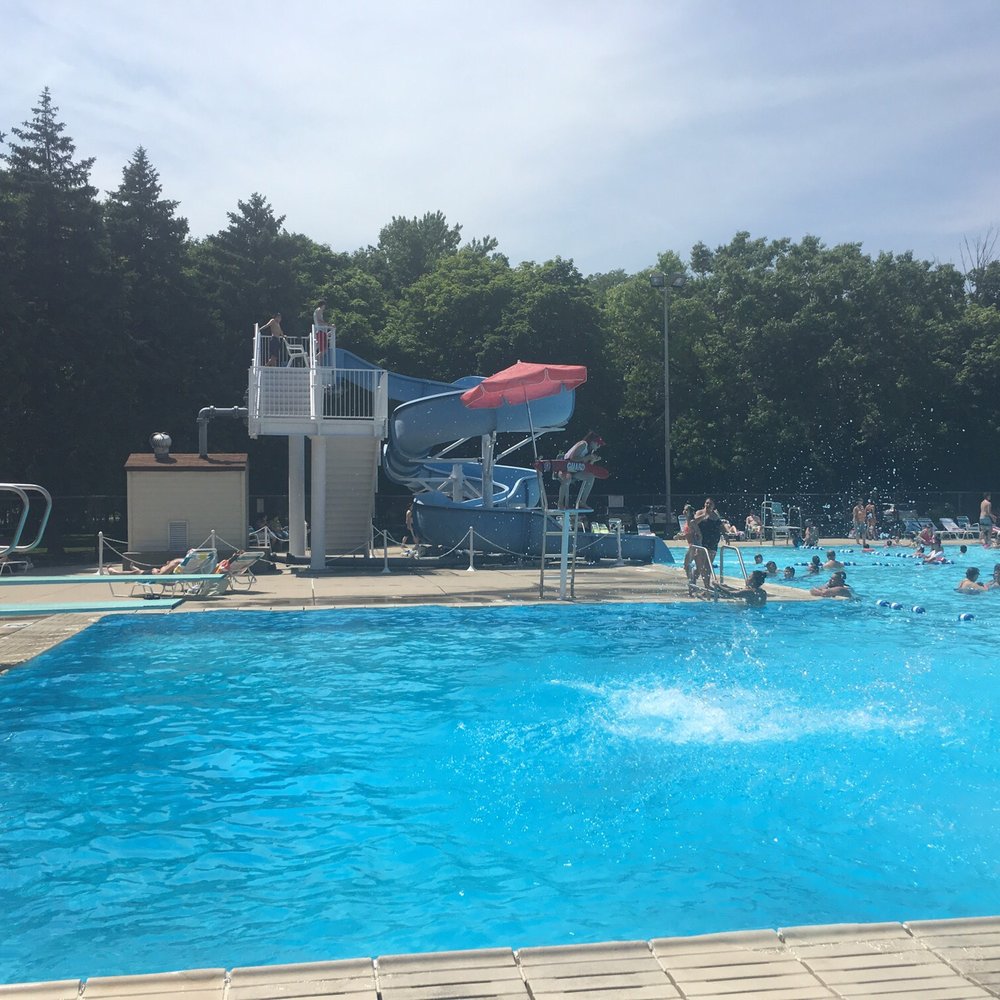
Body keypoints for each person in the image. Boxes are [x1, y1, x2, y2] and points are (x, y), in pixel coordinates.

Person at [557, 431, 604, 510]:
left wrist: (592, 460)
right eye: (598, 444)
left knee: (590, 477)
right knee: (567, 478)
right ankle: (560, 503)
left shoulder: (590, 451)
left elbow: (587, 467)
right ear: (592, 442)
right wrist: (587, 458)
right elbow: (572, 458)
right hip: (565, 468)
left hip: (575, 470)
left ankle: (582, 502)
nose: (598, 446)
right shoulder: (583, 444)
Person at [692, 498, 724, 587]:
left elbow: (720, 526)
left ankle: (707, 585)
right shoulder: (700, 512)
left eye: (710, 504)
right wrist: (704, 516)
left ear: (713, 506)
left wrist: (726, 535)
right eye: (707, 503)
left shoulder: (715, 515)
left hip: (713, 543)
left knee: (708, 566)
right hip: (702, 542)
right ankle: (693, 583)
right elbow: (693, 523)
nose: (708, 505)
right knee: (699, 566)